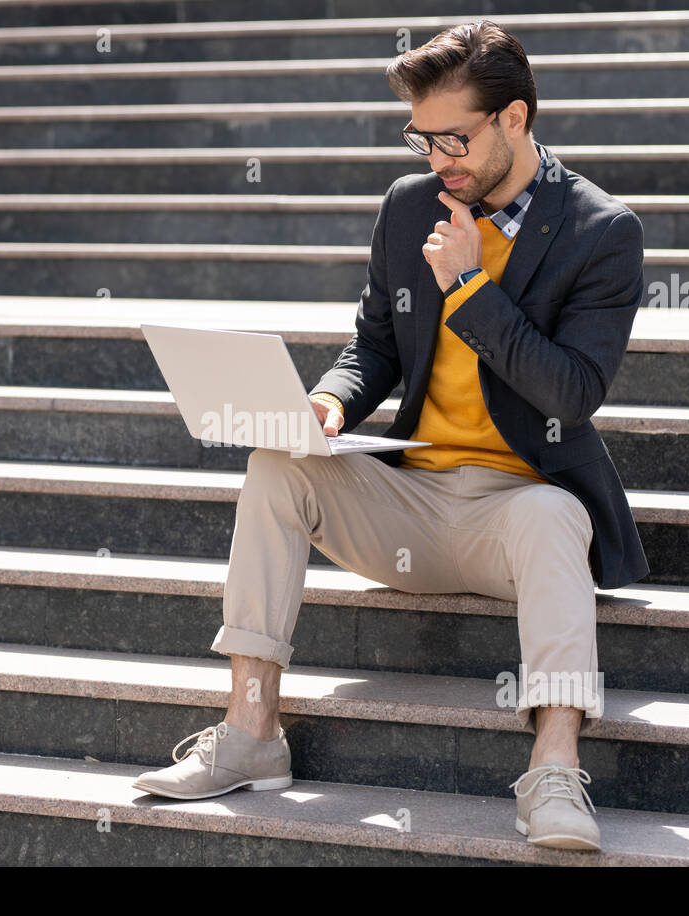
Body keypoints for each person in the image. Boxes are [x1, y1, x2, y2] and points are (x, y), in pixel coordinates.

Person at [132, 20, 648, 852]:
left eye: (455, 137)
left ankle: (553, 769)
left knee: (552, 517)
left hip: (516, 513)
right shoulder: (410, 208)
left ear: (514, 119)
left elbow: (572, 393)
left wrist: (471, 286)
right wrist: (331, 406)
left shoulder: (601, 231)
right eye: (422, 137)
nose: (438, 157)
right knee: (278, 465)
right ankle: (251, 732)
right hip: (408, 500)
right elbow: (371, 346)